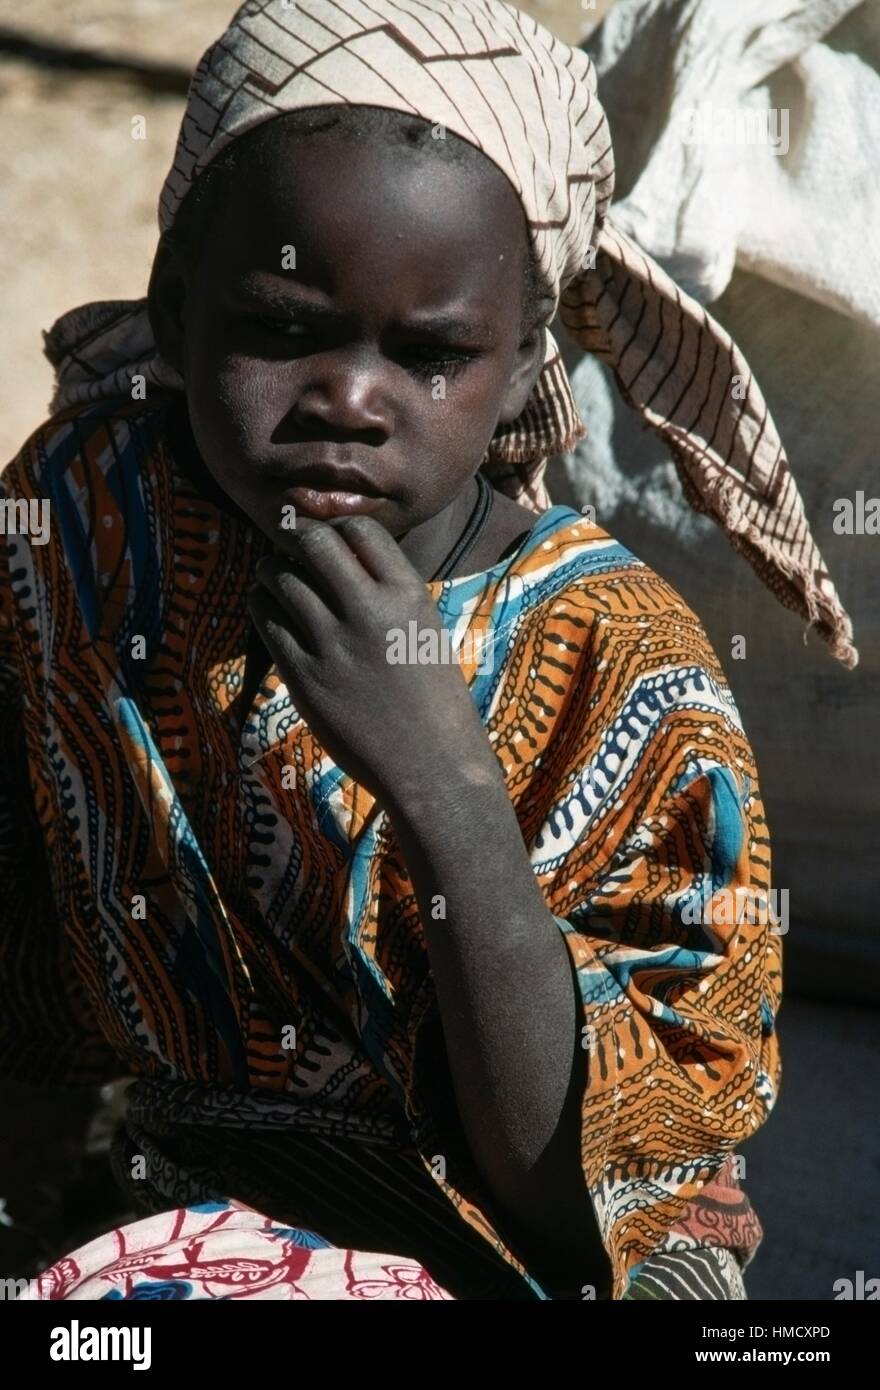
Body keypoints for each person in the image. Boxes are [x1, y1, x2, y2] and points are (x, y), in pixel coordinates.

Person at [1, 0, 856, 1302]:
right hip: (155, 1189)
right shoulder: (88, 515)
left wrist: (442, 769)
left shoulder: (614, 657)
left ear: (523, 369)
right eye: (285, 328)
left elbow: (587, 1205)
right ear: (175, 319)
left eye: (430, 353)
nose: (351, 396)